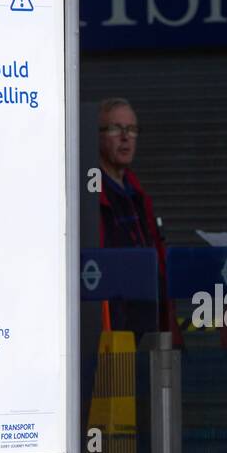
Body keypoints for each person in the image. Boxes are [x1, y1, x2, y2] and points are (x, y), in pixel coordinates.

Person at [96, 97, 178, 341]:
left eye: (131, 129)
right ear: (97, 136)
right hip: (113, 333)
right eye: (115, 128)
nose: (125, 137)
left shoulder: (138, 194)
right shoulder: (89, 194)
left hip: (147, 326)